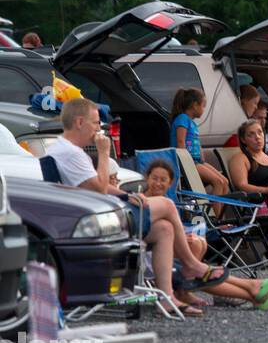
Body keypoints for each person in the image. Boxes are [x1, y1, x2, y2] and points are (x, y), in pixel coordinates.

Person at [46, 98, 226, 315]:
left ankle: (167, 297)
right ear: (79, 122)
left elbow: (93, 185)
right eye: (95, 123)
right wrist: (104, 153)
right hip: (94, 223)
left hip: (94, 215)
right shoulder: (71, 153)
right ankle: (191, 264)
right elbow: (100, 189)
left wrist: (127, 194)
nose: (98, 129)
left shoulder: (64, 148)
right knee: (168, 204)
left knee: (164, 230)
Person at [142, 161, 268, 312]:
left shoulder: (165, 205)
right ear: (147, 178)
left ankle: (253, 293)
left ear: (170, 183)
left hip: (165, 259)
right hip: (152, 264)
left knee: (198, 254)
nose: (158, 183)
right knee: (198, 271)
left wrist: (193, 231)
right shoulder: (143, 203)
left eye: (163, 180)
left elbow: (169, 229)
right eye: (154, 178)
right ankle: (253, 290)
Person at [170, 87, 230, 214]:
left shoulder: (192, 123)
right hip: (188, 162)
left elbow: (197, 143)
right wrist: (186, 162)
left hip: (197, 161)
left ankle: (221, 216)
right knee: (218, 182)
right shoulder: (182, 118)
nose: (204, 109)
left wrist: (202, 158)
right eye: (203, 105)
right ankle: (215, 218)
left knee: (224, 181)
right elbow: (181, 141)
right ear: (194, 105)